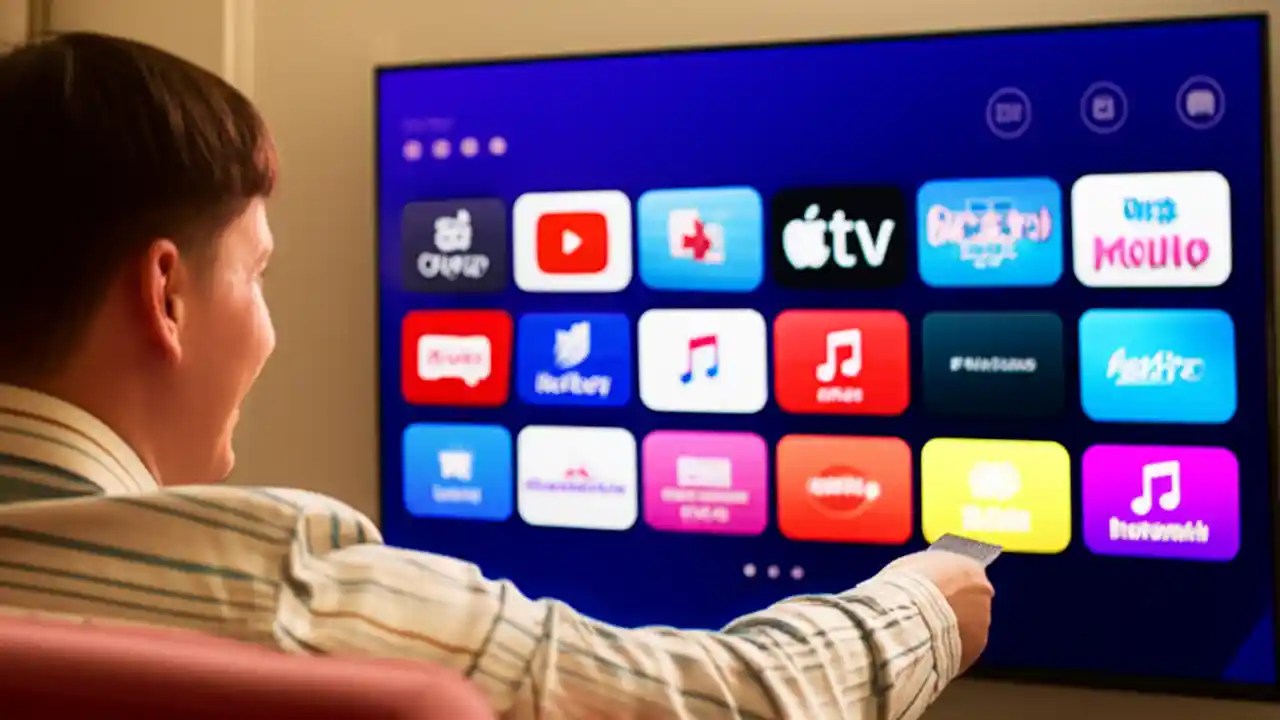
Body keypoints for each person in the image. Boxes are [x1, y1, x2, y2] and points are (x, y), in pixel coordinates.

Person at [0, 32, 994, 719]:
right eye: (257, 273)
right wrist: (919, 602)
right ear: (166, 296)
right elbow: (738, 701)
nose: (267, 331)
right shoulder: (281, 595)